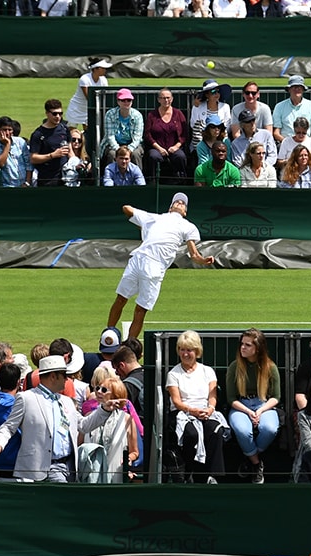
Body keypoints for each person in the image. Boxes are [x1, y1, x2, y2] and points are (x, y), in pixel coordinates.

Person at [106, 194, 213, 341]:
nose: (180, 203)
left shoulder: (188, 226)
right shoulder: (154, 218)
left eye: (183, 203)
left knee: (140, 310)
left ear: (185, 212)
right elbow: (126, 209)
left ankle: (129, 347)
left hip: (155, 267)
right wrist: (144, 226)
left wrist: (203, 260)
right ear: (170, 207)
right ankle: (108, 335)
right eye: (177, 202)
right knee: (120, 299)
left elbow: (194, 254)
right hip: (138, 260)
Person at [0, 354, 109, 483]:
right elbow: (9, 426)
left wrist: (105, 409)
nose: (68, 380)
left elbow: (84, 425)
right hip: (42, 468)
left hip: (69, 468)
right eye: (64, 375)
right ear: (53, 376)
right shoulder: (26, 398)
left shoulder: (67, 402)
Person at [163, 331, 227, 484]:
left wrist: (210, 409)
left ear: (197, 351)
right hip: (182, 413)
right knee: (191, 434)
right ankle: (189, 471)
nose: (185, 354)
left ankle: (211, 475)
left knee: (216, 430)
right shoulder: (173, 374)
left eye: (189, 350)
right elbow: (177, 402)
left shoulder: (208, 371)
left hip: (205, 411)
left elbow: (212, 397)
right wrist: (193, 411)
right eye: (182, 349)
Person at [225, 328, 280, 483]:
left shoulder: (270, 367)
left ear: (258, 348)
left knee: (269, 429)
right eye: (242, 344)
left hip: (264, 404)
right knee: (243, 431)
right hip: (241, 405)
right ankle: (256, 463)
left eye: (248, 345)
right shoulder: (235, 367)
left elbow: (276, 397)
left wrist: (260, 410)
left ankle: (249, 456)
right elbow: (231, 398)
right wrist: (249, 412)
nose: (243, 347)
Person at [78, 376, 138, 482]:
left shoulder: (127, 419)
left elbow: (134, 452)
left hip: (115, 476)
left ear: (116, 395)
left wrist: (128, 459)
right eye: (97, 388)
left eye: (104, 390)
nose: (99, 392)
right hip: (90, 478)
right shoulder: (88, 417)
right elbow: (79, 445)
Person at [144, 89, 190, 185]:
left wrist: (176, 146)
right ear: (158, 100)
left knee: (180, 156)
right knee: (153, 156)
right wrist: (159, 148)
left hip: (174, 147)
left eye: (168, 98)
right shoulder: (152, 115)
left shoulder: (178, 114)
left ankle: (181, 181)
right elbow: (147, 135)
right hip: (156, 147)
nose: (166, 100)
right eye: (163, 98)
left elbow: (184, 134)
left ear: (172, 99)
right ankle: (153, 182)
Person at [272, 75, 311, 148]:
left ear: (303, 89)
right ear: (289, 89)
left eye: (300, 87)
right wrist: (288, 143)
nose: (297, 89)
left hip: (307, 144)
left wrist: (308, 143)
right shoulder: (279, 107)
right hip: (286, 144)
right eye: (294, 87)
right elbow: (276, 133)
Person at [0, 116, 30, 188]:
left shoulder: (20, 142)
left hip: (24, 185)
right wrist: (7, 145)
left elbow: (28, 164)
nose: (7, 133)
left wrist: (27, 183)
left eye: (9, 130)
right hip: (6, 186)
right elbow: (0, 163)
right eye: (4, 130)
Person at [67, 59, 111, 130]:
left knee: (88, 131)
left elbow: (105, 95)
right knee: (71, 130)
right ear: (96, 69)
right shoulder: (84, 79)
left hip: (89, 109)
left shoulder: (104, 80)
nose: (105, 70)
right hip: (76, 108)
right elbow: (88, 97)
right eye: (103, 68)